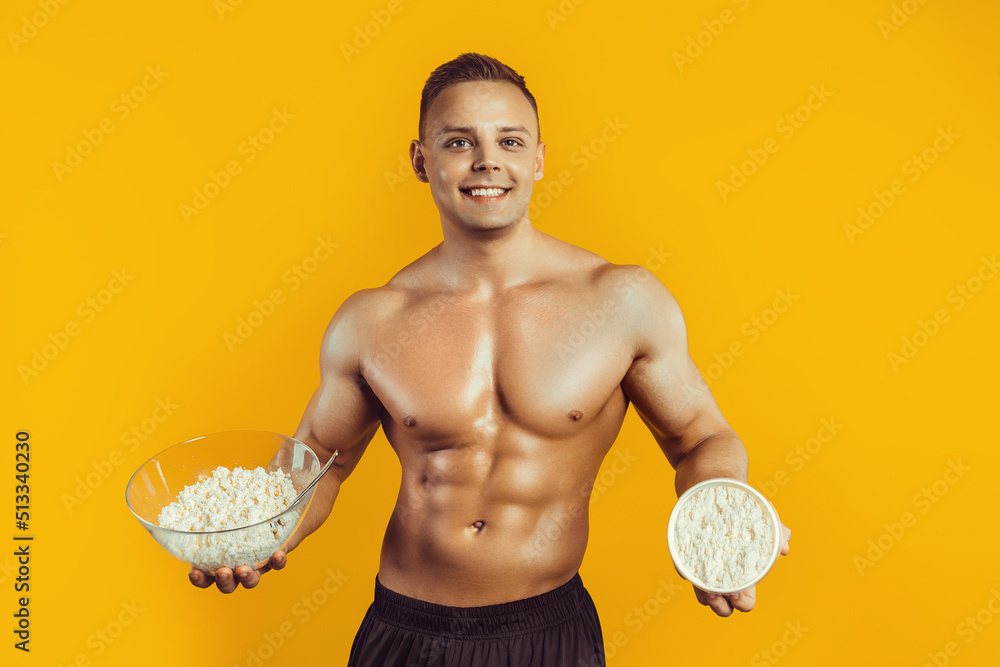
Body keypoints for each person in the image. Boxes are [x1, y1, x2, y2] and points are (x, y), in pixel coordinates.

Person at [189, 52, 791, 666]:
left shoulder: (621, 301)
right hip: (406, 631)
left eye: (509, 140)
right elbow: (319, 460)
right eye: (458, 141)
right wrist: (260, 536)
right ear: (422, 161)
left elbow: (699, 436)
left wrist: (724, 513)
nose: (487, 162)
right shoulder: (373, 320)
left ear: (537, 158)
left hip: (549, 629)